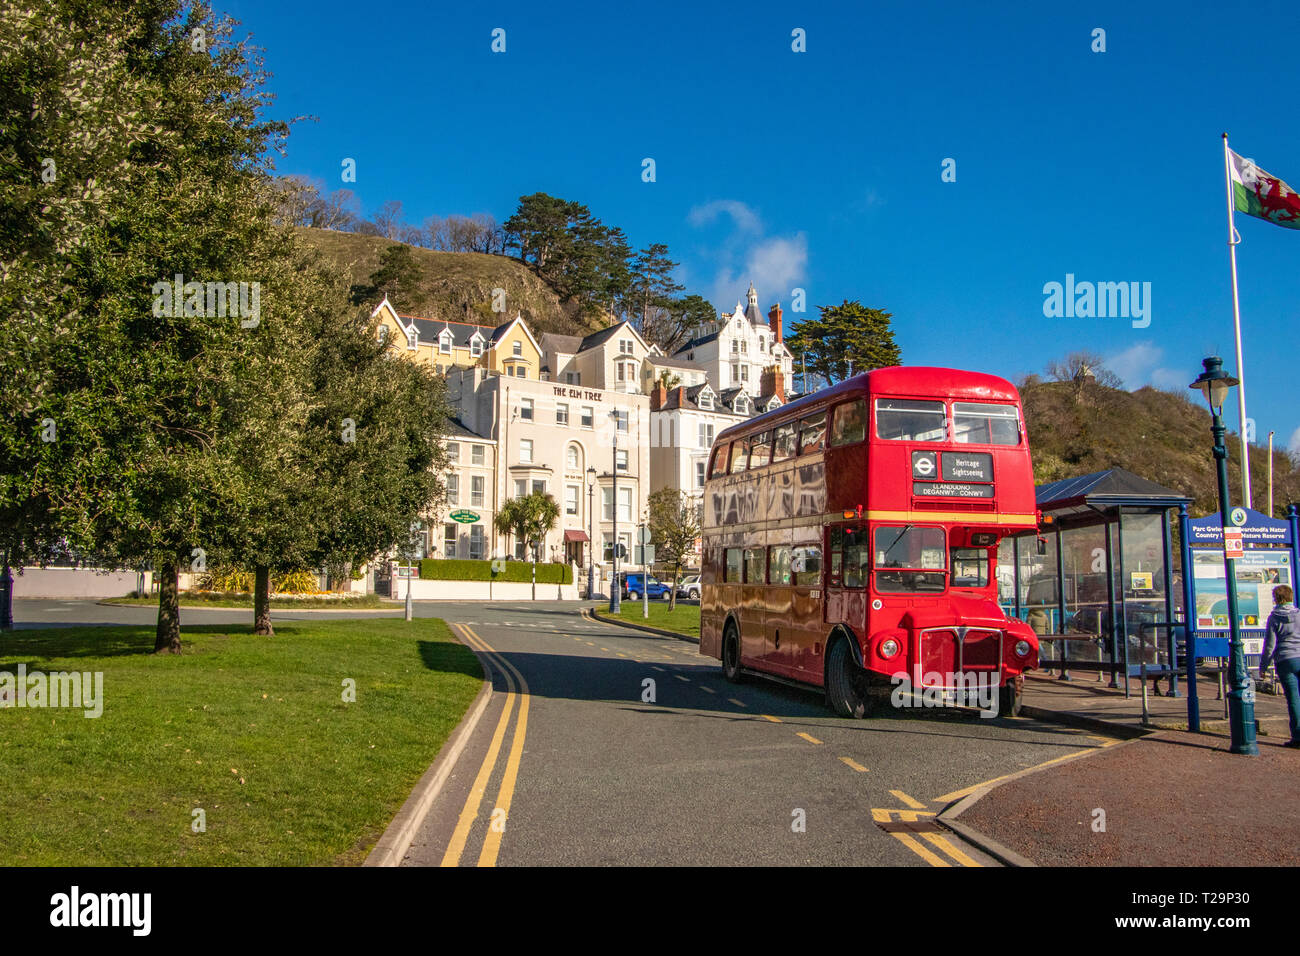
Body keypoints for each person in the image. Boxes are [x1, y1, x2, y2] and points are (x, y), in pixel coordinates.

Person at [1260, 585, 1300, 748]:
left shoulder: (1274, 617)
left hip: (1284, 659)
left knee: (1293, 699)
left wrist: (1263, 666)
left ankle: (1297, 737)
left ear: (1276, 598)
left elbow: (1270, 645)